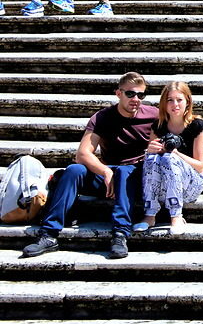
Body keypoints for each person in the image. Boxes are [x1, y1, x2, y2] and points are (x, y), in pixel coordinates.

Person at [22, 71, 157, 260]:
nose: (136, 99)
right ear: (118, 94)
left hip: (136, 178)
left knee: (126, 171)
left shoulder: (154, 116)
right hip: (108, 176)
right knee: (73, 170)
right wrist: (105, 170)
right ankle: (49, 234)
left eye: (141, 95)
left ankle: (120, 234)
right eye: (130, 94)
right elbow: (83, 153)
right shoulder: (103, 117)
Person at [136, 81, 203, 235]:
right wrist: (149, 151)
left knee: (170, 158)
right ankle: (150, 215)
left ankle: (176, 216)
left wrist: (176, 153)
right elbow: (151, 163)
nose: (174, 104)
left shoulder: (197, 126)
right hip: (163, 185)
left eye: (179, 100)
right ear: (164, 103)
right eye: (170, 100)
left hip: (189, 186)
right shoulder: (158, 126)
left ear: (187, 102)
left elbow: (199, 166)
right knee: (152, 159)